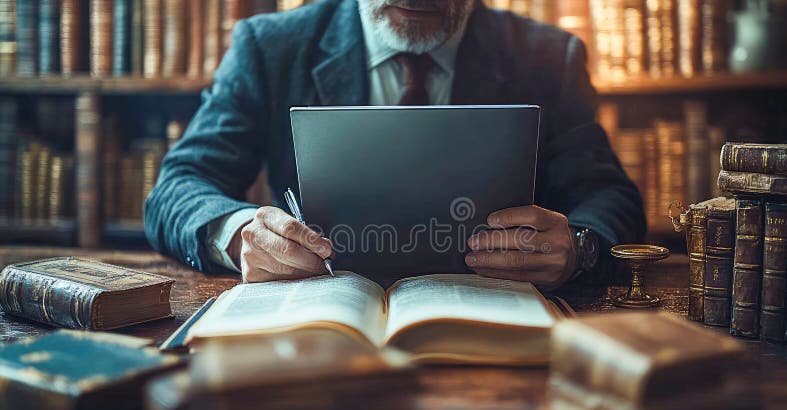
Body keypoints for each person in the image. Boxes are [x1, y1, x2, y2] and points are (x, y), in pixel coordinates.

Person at [144, 0, 646, 289]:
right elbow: (178, 187)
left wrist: (577, 248)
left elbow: (610, 198)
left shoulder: (549, 57)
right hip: (319, 331)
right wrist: (239, 236)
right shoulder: (269, 46)